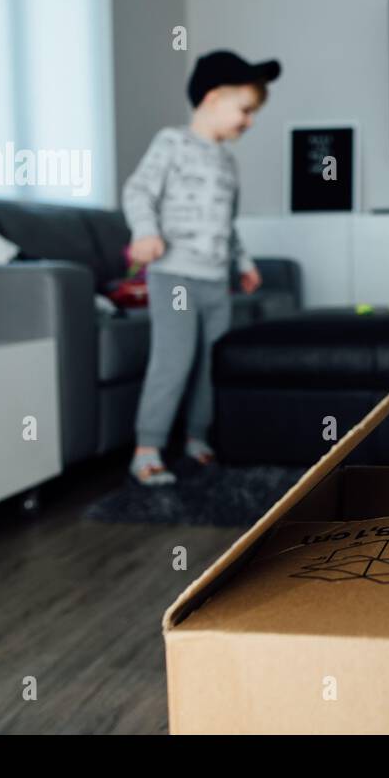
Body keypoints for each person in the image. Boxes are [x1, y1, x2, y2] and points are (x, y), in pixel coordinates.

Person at [121, 50, 280, 485]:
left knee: (211, 363)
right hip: (174, 275)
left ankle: (196, 439)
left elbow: (227, 224)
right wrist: (144, 232)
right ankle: (147, 447)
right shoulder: (171, 143)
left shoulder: (228, 161)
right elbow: (138, 192)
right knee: (174, 360)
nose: (249, 121)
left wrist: (243, 263)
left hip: (215, 282)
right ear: (212, 98)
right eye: (245, 110)